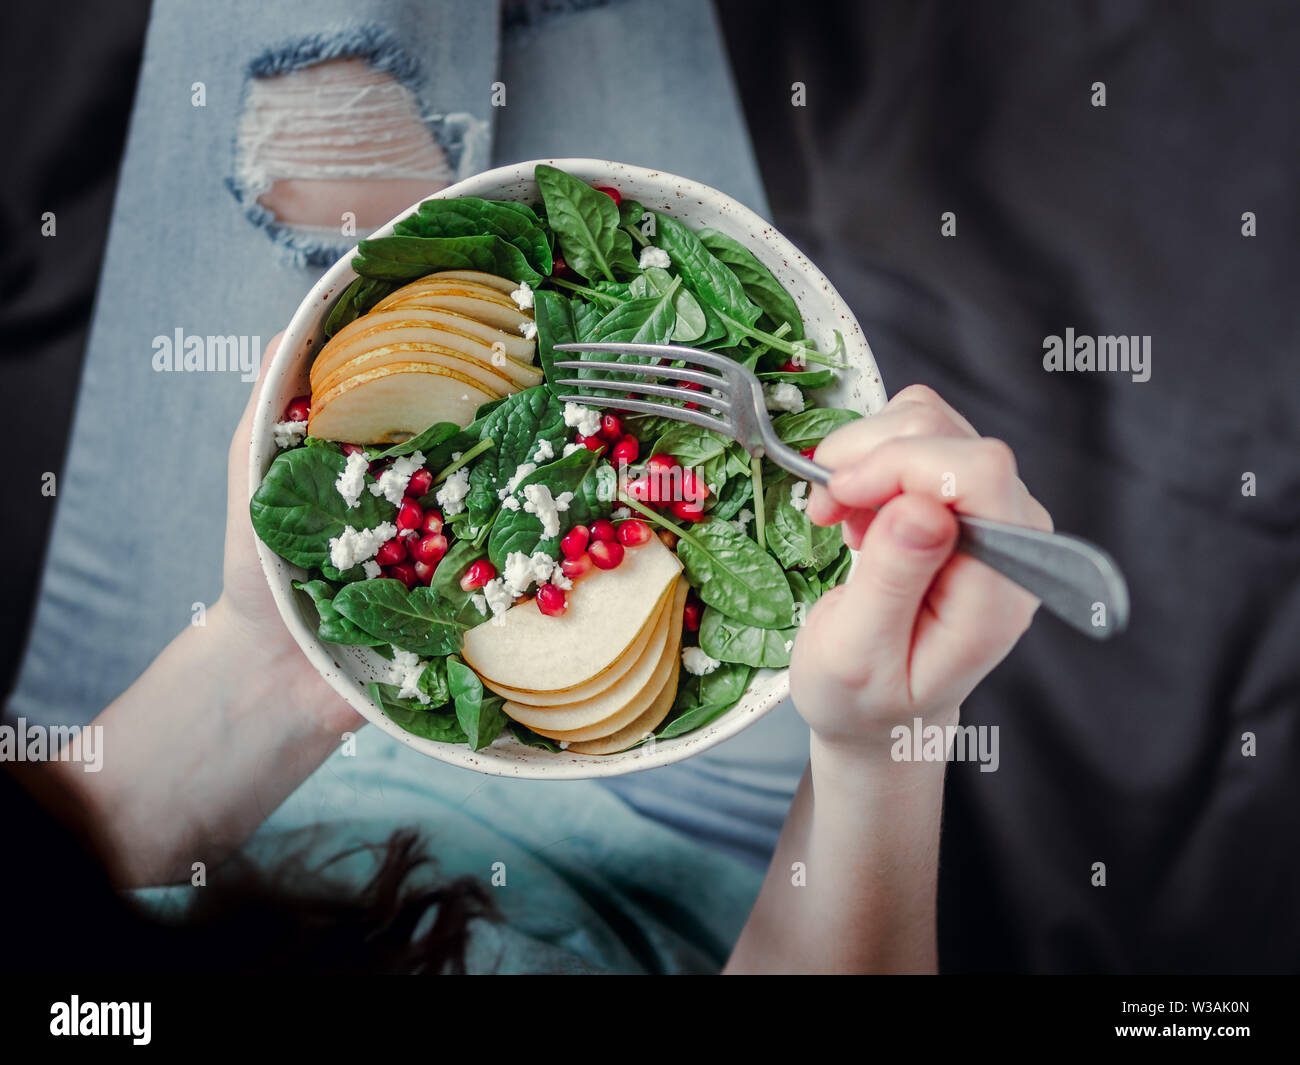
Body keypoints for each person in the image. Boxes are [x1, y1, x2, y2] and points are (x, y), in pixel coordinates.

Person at [6, 331, 1050, 972]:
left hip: (191, 735)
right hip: (687, 818)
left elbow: (62, 866)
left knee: (338, 86)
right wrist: (876, 742)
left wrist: (276, 659)